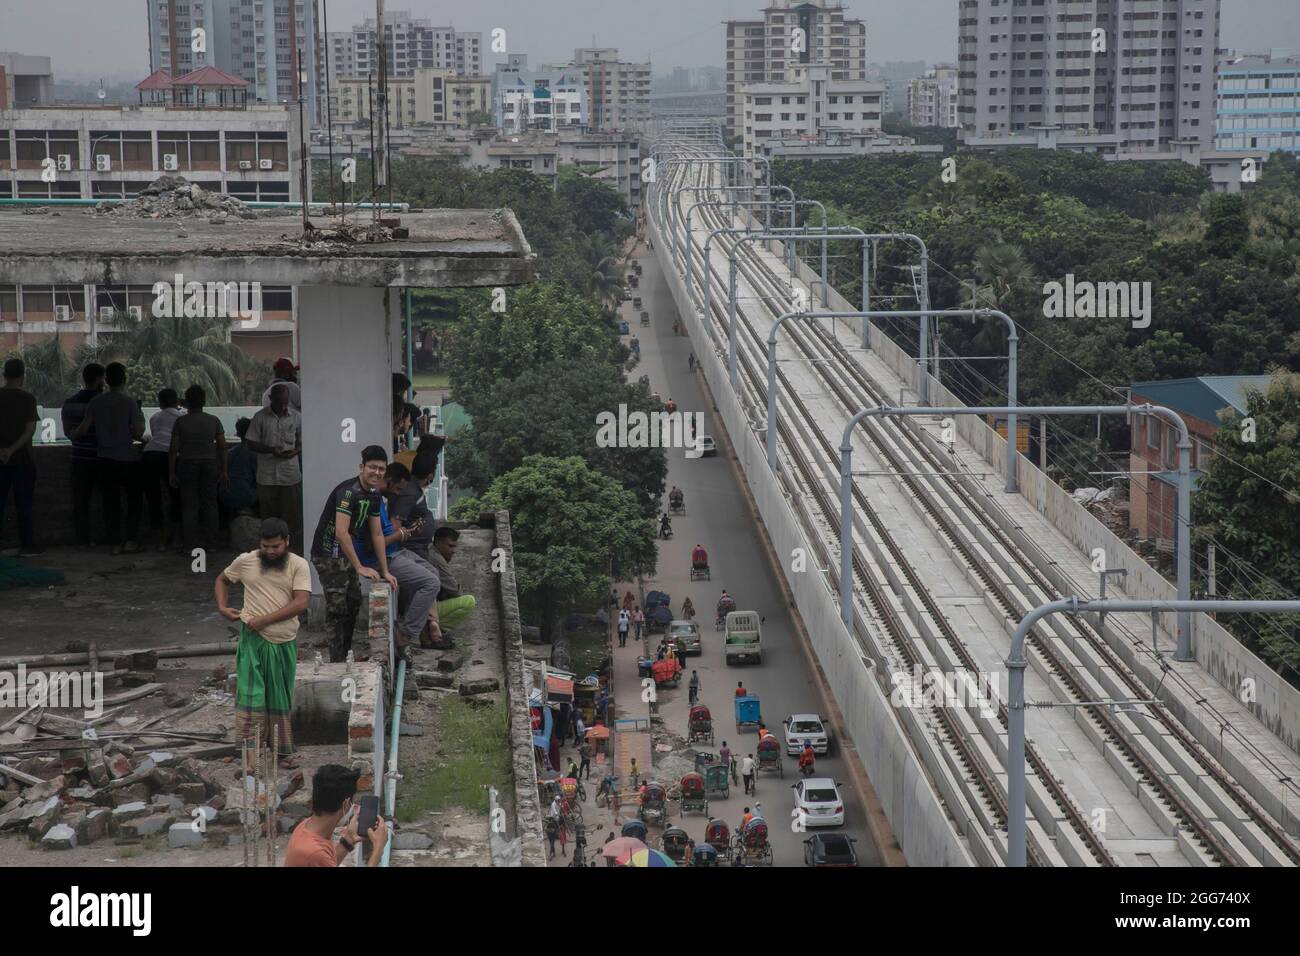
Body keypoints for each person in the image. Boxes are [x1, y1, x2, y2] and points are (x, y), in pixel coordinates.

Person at [215, 517, 311, 771]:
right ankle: (250, 761)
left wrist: (265, 620)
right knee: (251, 697)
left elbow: (301, 602)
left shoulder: (298, 565)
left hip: (283, 642)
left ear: (287, 542)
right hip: (252, 641)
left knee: (279, 699)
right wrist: (223, 608)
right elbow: (222, 580)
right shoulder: (246, 561)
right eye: (266, 546)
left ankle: (282, 752)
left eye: (276, 547)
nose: (270, 552)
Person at [310, 446, 396, 663]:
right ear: (362, 467)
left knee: (354, 600)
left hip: (346, 554)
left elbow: (376, 533)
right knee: (337, 607)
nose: (377, 473)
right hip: (328, 553)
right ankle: (336, 661)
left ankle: (345, 652)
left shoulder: (375, 495)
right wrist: (358, 566)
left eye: (381, 469)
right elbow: (341, 533)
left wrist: (384, 570)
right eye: (372, 468)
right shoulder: (348, 492)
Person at [355, 459, 441, 657]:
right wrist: (400, 535)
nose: (398, 494)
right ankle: (406, 634)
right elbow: (372, 544)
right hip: (384, 557)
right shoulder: (369, 502)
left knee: (432, 572)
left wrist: (407, 533)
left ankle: (421, 622)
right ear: (388, 482)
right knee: (431, 583)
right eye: (398, 489)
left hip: (395, 551)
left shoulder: (380, 499)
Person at [74, 362, 144, 555]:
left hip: (105, 459)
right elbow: (138, 433)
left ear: (106, 380)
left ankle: (114, 542)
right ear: (124, 379)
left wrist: (72, 434)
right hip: (128, 458)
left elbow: (84, 428)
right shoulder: (129, 402)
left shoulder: (95, 402)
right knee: (133, 501)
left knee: (110, 503)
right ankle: (130, 540)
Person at [283, 764, 387, 867]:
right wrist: (378, 849)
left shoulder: (306, 826)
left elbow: (327, 862)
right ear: (346, 804)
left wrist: (349, 840)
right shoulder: (314, 853)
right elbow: (320, 858)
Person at [245, 384, 303, 554]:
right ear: (271, 400)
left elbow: (303, 441)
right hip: (267, 476)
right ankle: (270, 551)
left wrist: (295, 451)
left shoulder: (297, 417)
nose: (283, 406)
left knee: (291, 517)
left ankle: (290, 552)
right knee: (269, 517)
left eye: (286, 402)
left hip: (290, 475)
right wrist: (271, 450)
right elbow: (250, 442)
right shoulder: (260, 417)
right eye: (279, 402)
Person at [168, 385, 227, 552]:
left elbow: (173, 449)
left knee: (189, 504)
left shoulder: (180, 422)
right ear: (203, 401)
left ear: (186, 402)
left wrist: (171, 472)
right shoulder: (214, 420)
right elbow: (222, 447)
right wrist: (224, 471)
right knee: (210, 504)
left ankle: (189, 545)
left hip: (186, 464)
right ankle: (212, 544)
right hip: (209, 464)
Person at [61, 363, 105, 548]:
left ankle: (82, 540)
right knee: (106, 501)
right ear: (98, 379)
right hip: (104, 458)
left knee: (81, 502)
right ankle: (107, 538)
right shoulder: (105, 402)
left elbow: (68, 433)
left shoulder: (69, 403)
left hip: (79, 457)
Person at [0, 358, 40, 556]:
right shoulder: (27, 398)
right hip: (22, 460)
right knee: (24, 505)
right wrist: (12, 450)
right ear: (23, 376)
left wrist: (3, 451)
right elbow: (30, 430)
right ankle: (28, 546)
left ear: (4, 375)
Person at [141, 388, 184, 551]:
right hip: (170, 455)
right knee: (176, 496)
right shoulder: (182, 417)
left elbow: (155, 435)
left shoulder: (154, 417)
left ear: (160, 403)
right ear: (177, 401)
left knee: (154, 497)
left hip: (150, 455)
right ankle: (177, 537)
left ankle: (160, 540)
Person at [425, 526, 477, 647]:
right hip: (423, 609)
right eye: (450, 546)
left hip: (420, 605)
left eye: (454, 546)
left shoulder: (430, 551)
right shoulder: (435, 558)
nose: (453, 551)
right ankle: (434, 631)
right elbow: (454, 590)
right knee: (468, 601)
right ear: (437, 543)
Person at [220, 417, 259, 515]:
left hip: (226, 496)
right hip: (247, 496)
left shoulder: (230, 453)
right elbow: (259, 477)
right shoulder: (255, 454)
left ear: (238, 433)